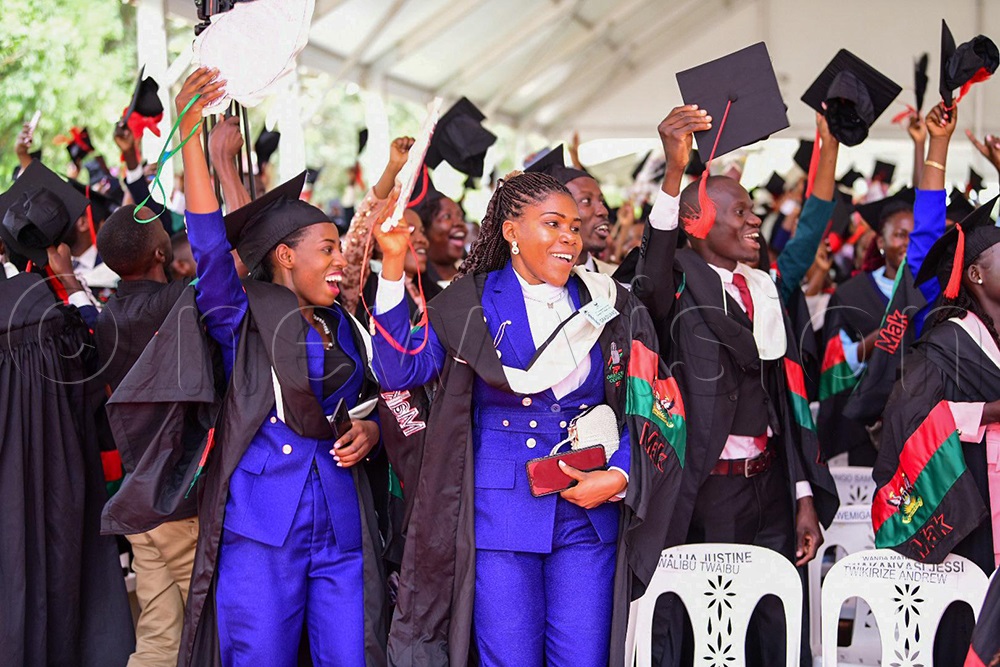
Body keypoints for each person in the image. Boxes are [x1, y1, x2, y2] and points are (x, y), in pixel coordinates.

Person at [109, 67, 387, 666]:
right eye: (328, 249)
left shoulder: (343, 325)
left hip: (339, 524)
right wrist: (190, 134)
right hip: (263, 530)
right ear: (285, 256)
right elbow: (210, 243)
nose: (340, 262)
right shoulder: (244, 317)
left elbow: (370, 406)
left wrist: (373, 430)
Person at [371, 169, 684, 666]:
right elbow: (397, 369)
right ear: (512, 231)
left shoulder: (610, 303)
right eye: (554, 224)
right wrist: (391, 264)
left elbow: (654, 401)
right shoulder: (469, 301)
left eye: (575, 228)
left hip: (587, 513)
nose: (569, 238)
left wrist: (620, 475)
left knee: (582, 659)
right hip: (500, 517)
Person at [633, 102, 840, 666]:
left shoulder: (766, 289)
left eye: (753, 211)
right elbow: (647, 279)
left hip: (768, 488)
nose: (756, 221)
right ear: (698, 223)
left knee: (771, 629)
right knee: (700, 634)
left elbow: (786, 402)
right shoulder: (674, 285)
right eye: (742, 212)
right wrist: (675, 175)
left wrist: (802, 497)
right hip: (702, 491)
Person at [874, 194, 1000, 666]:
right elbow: (904, 424)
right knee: (966, 627)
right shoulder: (947, 343)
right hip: (972, 512)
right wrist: (985, 413)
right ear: (975, 274)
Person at [93, 204, 197, 667]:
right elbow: (224, 267)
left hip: (140, 499)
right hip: (179, 496)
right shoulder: (174, 302)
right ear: (161, 251)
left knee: (158, 636)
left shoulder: (106, 318)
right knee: (217, 619)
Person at [818, 188, 914, 465]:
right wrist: (876, 341)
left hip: (921, 423)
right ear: (881, 242)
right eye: (899, 235)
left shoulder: (933, 294)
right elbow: (833, 365)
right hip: (865, 426)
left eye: (914, 235)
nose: (907, 243)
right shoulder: (849, 294)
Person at [526, 145, 617, 274]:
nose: (603, 211)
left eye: (601, 201)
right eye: (586, 201)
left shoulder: (616, 279)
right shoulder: (528, 285)